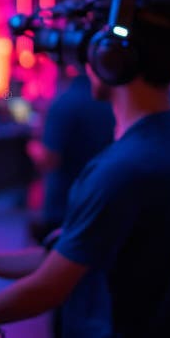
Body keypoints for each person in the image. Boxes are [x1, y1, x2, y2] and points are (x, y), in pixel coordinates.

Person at [0, 0, 170, 337]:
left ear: (111, 55)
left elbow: (48, 288)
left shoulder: (126, 168)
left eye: (93, 40)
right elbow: (70, 254)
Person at [28, 67, 115, 242]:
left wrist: (33, 148)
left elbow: (49, 159)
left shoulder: (65, 103)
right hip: (103, 200)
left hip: (63, 204)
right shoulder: (113, 101)